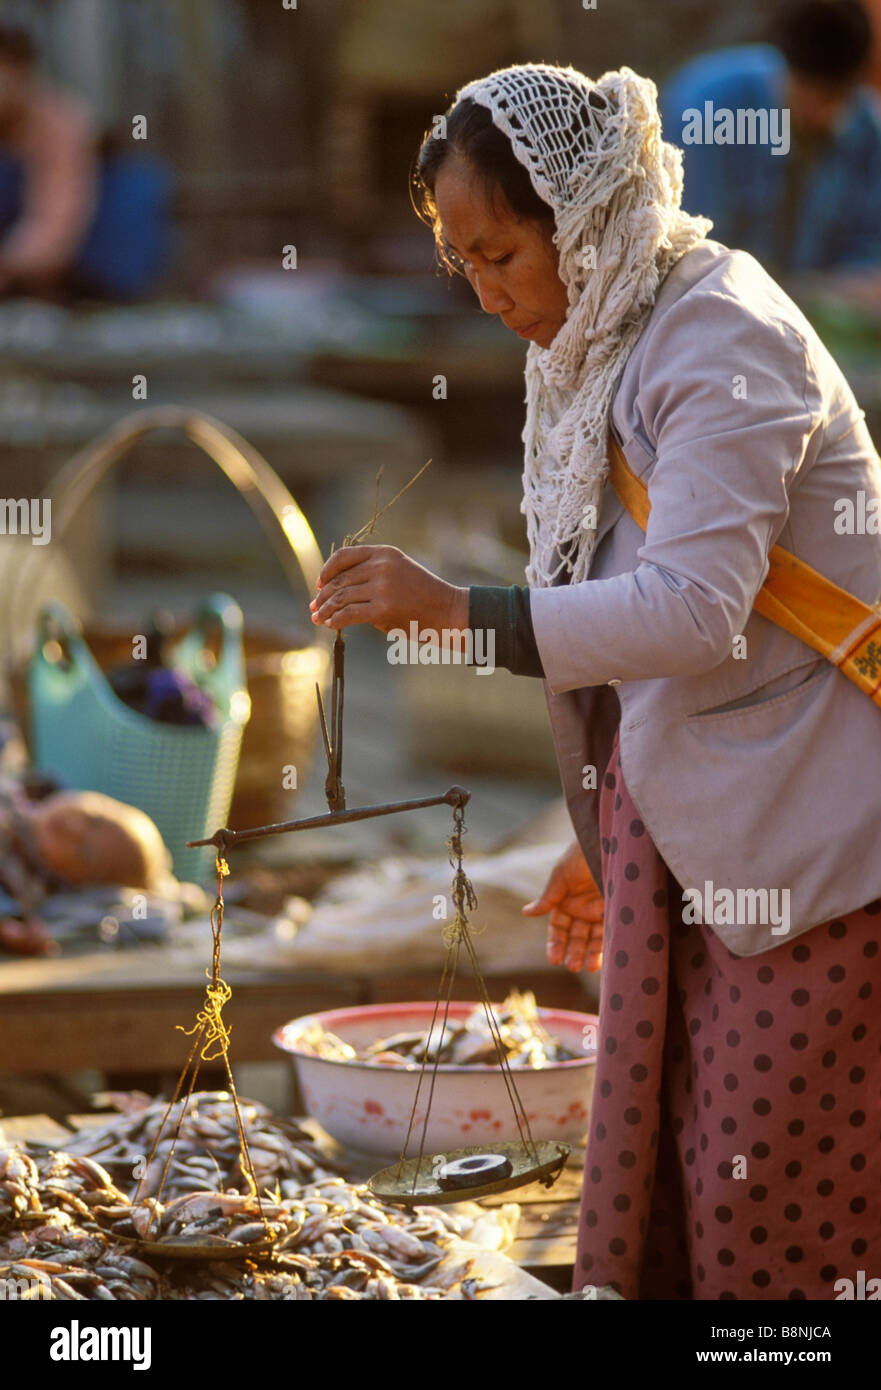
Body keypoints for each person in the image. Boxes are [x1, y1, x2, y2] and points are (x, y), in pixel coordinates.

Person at [309, 62, 881, 1300]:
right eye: (462, 264)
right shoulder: (596, 335)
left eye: (502, 254)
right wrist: (617, 828)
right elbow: (632, 625)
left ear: (581, 217)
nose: (487, 295)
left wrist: (456, 611)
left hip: (810, 845)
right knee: (671, 1177)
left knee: (771, 1201)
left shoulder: (721, 338)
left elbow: (688, 611)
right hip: (704, 820)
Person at [661, 1, 881, 293]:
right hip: (710, 302)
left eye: (831, 97)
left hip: (815, 312)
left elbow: (868, 255)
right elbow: (685, 251)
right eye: (806, 91)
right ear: (784, 67)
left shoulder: (866, 131)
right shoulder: (707, 108)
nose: (817, 110)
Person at [0, 781, 172, 956]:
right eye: (94, 820)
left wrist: (10, 927)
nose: (75, 830)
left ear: (75, 882)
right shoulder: (20, 791)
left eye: (84, 853)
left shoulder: (28, 883)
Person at [0, 24, 98, 297]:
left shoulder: (61, 122)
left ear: (22, 73)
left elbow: (55, 223)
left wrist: (10, 266)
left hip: (40, 265)